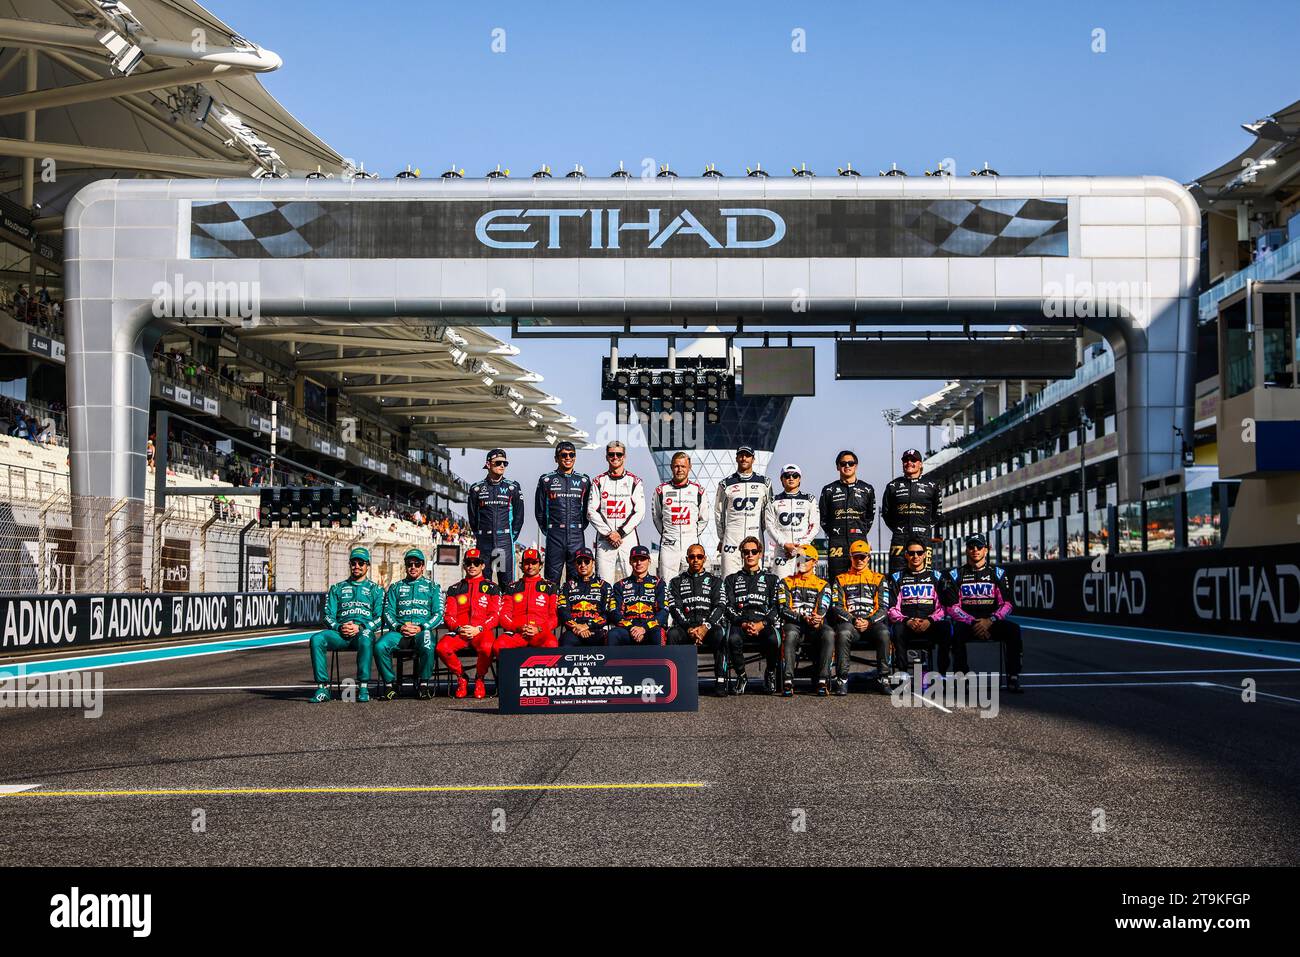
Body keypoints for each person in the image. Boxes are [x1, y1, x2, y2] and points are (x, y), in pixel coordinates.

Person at [945, 533, 1024, 693]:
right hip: (968, 624)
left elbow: (1007, 604)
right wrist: (974, 622)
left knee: (1014, 630)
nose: (975, 550)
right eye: (971, 547)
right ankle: (962, 678)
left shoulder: (998, 573)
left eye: (979, 547)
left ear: (986, 550)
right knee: (955, 632)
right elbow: (952, 607)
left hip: (992, 622)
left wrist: (990, 620)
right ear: (966, 550)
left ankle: (1013, 676)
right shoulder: (955, 574)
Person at [308, 546, 385, 703]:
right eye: (353, 563)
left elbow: (380, 618)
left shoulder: (376, 590)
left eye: (361, 563)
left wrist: (361, 627)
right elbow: (327, 616)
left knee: (365, 636)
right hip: (339, 634)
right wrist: (338, 627)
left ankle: (363, 687)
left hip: (362, 633)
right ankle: (323, 688)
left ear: (367, 565)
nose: (356, 566)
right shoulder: (337, 588)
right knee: (316, 639)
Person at [374, 548, 444, 700]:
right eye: (409, 564)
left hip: (422, 630)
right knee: (380, 646)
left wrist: (422, 627)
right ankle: (390, 685)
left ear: (422, 566)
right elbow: (388, 612)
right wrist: (399, 627)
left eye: (417, 564)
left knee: (427, 643)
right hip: (399, 631)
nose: (413, 567)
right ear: (405, 566)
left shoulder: (433, 587)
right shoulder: (395, 587)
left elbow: (439, 614)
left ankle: (424, 684)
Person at [829, 540, 892, 695]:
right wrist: (852, 620)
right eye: (856, 557)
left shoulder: (879, 578)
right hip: (850, 623)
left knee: (884, 633)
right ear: (851, 557)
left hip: (872, 624)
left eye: (863, 557)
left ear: (868, 558)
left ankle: (883, 678)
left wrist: (869, 621)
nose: (859, 560)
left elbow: (884, 607)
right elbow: (837, 606)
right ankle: (842, 679)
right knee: (843, 633)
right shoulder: (840, 579)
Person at [886, 536, 954, 679]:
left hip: (930, 624)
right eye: (911, 553)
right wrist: (908, 621)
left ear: (925, 554)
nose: (915, 556)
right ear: (906, 555)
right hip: (907, 625)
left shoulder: (937, 576)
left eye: (919, 553)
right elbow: (891, 609)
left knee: (946, 627)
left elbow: (943, 608)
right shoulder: (897, 577)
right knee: (897, 628)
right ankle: (902, 672)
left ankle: (941, 673)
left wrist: (930, 620)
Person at [437, 548, 501, 699]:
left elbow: (495, 616)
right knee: (442, 647)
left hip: (481, 631)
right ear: (464, 565)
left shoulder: (492, 588)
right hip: (460, 632)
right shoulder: (454, 589)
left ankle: (479, 679)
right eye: (468, 562)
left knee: (487, 647)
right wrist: (459, 628)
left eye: (476, 562)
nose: (472, 566)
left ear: (482, 566)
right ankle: (462, 677)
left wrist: (479, 628)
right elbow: (448, 616)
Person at [722, 535, 782, 695]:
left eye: (753, 551)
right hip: (741, 623)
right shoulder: (731, 579)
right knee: (732, 639)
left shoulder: (772, 579)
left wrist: (762, 624)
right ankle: (741, 676)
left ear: (760, 554)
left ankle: (770, 672)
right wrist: (742, 623)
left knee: (774, 639)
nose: (750, 555)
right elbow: (727, 606)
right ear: (742, 554)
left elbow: (777, 606)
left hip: (763, 623)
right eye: (746, 552)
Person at [665, 543, 727, 695]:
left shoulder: (715, 582)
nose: (695, 560)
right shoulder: (675, 582)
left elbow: (720, 606)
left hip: (708, 627)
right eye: (692, 557)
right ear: (687, 559)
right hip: (687, 628)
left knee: (721, 633)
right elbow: (674, 608)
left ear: (704, 559)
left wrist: (705, 627)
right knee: (672, 634)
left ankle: (720, 680)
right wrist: (689, 628)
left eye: (699, 556)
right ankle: (676, 681)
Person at [778, 545, 833, 697]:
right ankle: (788, 681)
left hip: (814, 626)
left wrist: (816, 618)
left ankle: (822, 680)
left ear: (815, 562)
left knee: (829, 633)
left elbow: (822, 608)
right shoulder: (785, 582)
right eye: (798, 558)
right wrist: (802, 618)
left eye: (806, 559)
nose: (801, 562)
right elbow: (783, 609)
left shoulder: (823, 585)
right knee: (789, 634)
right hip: (794, 624)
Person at [587, 440, 646, 584]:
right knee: (603, 582)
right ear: (606, 457)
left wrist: (619, 532)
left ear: (624, 456)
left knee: (633, 578)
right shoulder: (598, 481)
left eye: (618, 454)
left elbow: (640, 512)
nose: (615, 457)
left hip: (627, 537)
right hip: (605, 539)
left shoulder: (635, 481)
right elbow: (591, 511)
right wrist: (609, 534)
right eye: (611, 454)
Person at [535, 440, 591, 584]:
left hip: (576, 535)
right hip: (555, 535)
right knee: (551, 579)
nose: (568, 458)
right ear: (556, 458)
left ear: (575, 457)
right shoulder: (546, 480)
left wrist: (578, 527)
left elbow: (588, 510)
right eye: (564, 455)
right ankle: (552, 606)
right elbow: (539, 511)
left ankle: (574, 607)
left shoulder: (584, 480)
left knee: (576, 578)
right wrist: (549, 530)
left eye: (571, 454)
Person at [468, 448, 525, 587]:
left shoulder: (512, 488)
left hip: (503, 542)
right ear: (488, 464)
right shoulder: (477, 489)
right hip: (484, 543)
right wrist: (480, 535)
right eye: (498, 462)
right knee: (483, 583)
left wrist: (511, 536)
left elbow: (519, 516)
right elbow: (473, 517)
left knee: (506, 583)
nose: (502, 466)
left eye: (505, 463)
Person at [651, 450, 711, 581]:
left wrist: (692, 534)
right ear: (671, 467)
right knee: (667, 582)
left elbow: (704, 519)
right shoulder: (661, 490)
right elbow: (657, 517)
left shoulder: (698, 491)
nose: (679, 470)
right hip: (669, 544)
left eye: (683, 466)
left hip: (691, 543)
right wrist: (668, 533)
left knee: (692, 581)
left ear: (689, 468)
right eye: (676, 466)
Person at [882, 449, 943, 573]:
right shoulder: (893, 486)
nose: (909, 462)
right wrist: (898, 529)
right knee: (896, 577)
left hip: (923, 537)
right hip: (899, 538)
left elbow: (938, 513)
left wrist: (924, 527)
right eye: (906, 460)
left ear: (920, 464)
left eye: (913, 460)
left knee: (924, 576)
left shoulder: (932, 485)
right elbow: (886, 513)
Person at [818, 450, 876, 582]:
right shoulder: (828, 490)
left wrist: (860, 532)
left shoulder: (867, 489)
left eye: (851, 463)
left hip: (859, 540)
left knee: (860, 579)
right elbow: (823, 517)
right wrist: (834, 533)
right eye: (843, 463)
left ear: (856, 465)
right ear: (838, 466)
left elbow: (869, 517)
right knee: (836, 580)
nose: (847, 466)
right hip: (836, 542)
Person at [715, 445, 772, 577]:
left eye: (747, 455)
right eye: (741, 455)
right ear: (736, 458)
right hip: (732, 536)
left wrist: (760, 529)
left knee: (755, 577)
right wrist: (722, 537)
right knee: (729, 578)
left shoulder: (765, 483)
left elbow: (768, 512)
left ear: (753, 459)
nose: (744, 458)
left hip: (755, 533)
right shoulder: (725, 484)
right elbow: (719, 513)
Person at [498, 549, 560, 655]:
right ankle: (510, 671)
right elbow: (504, 615)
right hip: (517, 632)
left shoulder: (550, 587)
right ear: (522, 566)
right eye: (527, 563)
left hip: (540, 632)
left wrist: (539, 629)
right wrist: (517, 627)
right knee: (498, 646)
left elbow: (554, 617)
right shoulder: (512, 587)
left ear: (540, 565)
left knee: (551, 645)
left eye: (534, 563)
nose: (530, 566)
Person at [764, 463, 820, 579]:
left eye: (795, 475)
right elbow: (770, 526)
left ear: (799, 479)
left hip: (803, 550)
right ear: (781, 479)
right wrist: (784, 544)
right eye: (787, 476)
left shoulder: (809, 500)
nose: (791, 478)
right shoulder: (773, 501)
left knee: (804, 585)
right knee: (781, 586)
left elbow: (814, 526)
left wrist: (799, 545)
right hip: (782, 551)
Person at [605, 545, 666, 645]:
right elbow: (614, 612)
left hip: (650, 628)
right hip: (628, 628)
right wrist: (632, 628)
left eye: (642, 559)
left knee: (659, 633)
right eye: (635, 560)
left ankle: (660, 661)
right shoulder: (619, 585)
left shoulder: (659, 584)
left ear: (649, 561)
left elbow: (663, 611)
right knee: (613, 634)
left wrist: (644, 628)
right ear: (630, 561)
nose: (639, 563)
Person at [557, 547, 611, 646]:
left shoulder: (604, 586)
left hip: (596, 630)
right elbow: (563, 611)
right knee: (565, 641)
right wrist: (577, 627)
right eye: (579, 562)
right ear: (575, 564)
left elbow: (607, 614)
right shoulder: (567, 586)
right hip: (574, 630)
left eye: (586, 561)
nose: (583, 565)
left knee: (609, 639)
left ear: (593, 563)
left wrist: (587, 626)